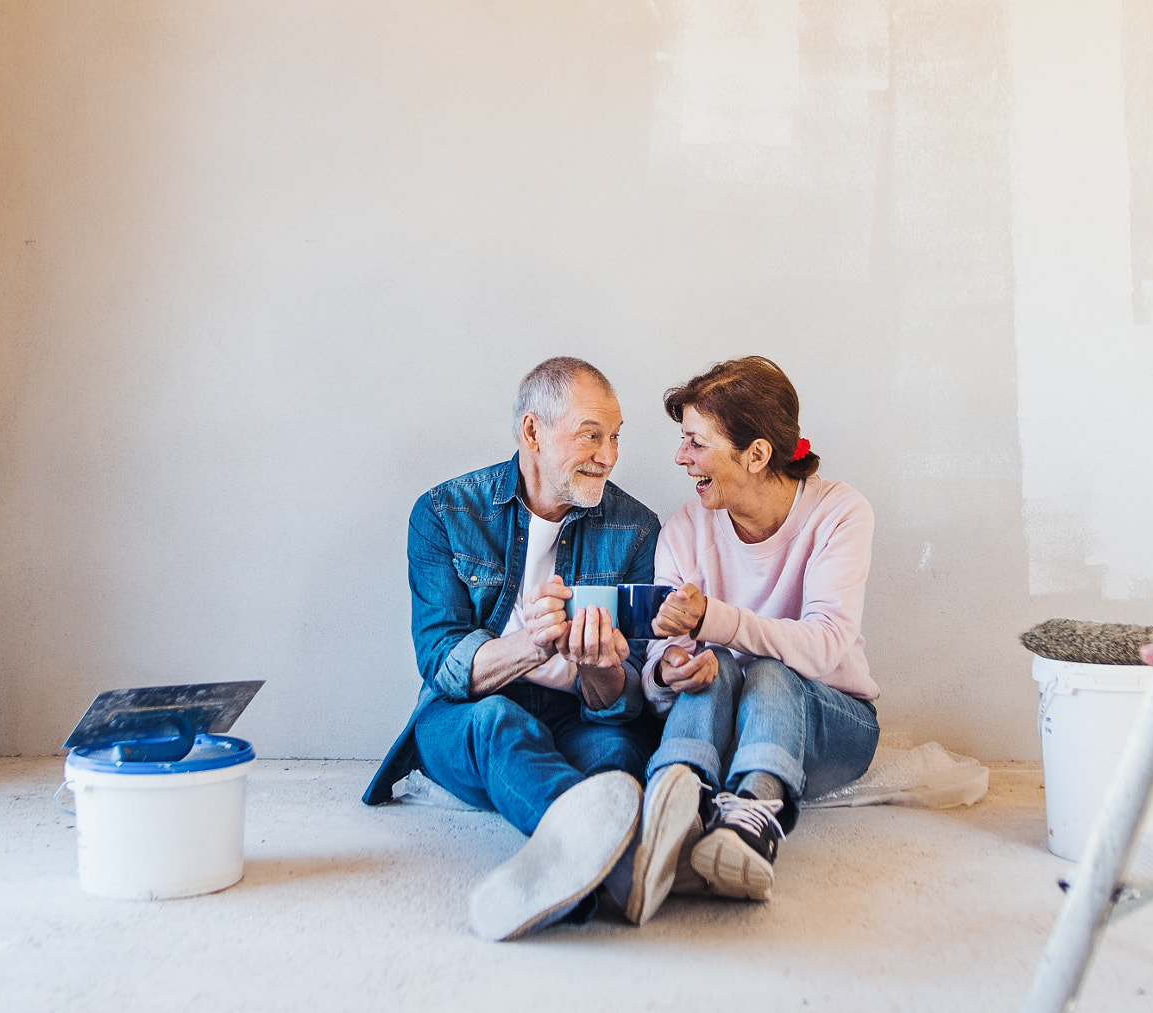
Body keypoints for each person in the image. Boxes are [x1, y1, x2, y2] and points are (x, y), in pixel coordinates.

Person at [364, 357, 663, 940]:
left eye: (615, 437)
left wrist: (601, 668)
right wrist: (531, 645)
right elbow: (442, 662)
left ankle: (570, 872)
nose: (609, 454)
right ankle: (622, 864)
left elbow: (623, 696)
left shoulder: (635, 527)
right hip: (467, 718)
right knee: (500, 722)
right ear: (532, 433)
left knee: (617, 753)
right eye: (590, 434)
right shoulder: (444, 514)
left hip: (577, 716)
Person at [629, 355, 880, 922]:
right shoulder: (684, 527)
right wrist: (669, 668)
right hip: (722, 725)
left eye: (696, 441)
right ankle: (680, 795)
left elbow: (824, 644)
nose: (680, 456)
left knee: (768, 667)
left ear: (758, 453)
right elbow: (660, 654)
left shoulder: (839, 512)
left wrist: (712, 620)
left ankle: (753, 812)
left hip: (834, 721)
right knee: (714, 661)